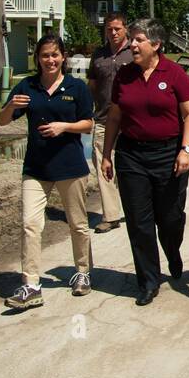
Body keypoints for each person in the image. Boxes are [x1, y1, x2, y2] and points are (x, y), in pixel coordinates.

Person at [100, 19, 189, 306]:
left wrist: (186, 149)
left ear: (156, 45)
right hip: (131, 155)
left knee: (170, 219)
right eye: (131, 39)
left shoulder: (176, 73)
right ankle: (148, 281)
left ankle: (173, 251)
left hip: (169, 155)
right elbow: (115, 117)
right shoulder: (125, 75)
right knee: (139, 223)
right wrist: (107, 154)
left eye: (138, 40)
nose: (132, 45)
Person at [0, 34, 95, 310]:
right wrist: (10, 107)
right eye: (44, 56)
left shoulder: (77, 87)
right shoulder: (28, 86)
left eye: (55, 55)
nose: (50, 60)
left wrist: (64, 126)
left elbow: (88, 124)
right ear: (37, 59)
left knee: (77, 224)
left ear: (63, 56)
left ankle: (83, 272)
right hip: (36, 169)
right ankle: (31, 285)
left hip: (70, 166)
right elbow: (2, 121)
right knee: (30, 224)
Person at [86, 13, 133, 232]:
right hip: (104, 118)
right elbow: (93, 84)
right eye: (108, 29)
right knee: (103, 166)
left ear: (125, 29)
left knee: (130, 169)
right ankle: (111, 215)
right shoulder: (99, 55)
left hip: (131, 121)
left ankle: (136, 210)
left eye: (117, 28)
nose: (113, 33)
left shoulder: (134, 52)